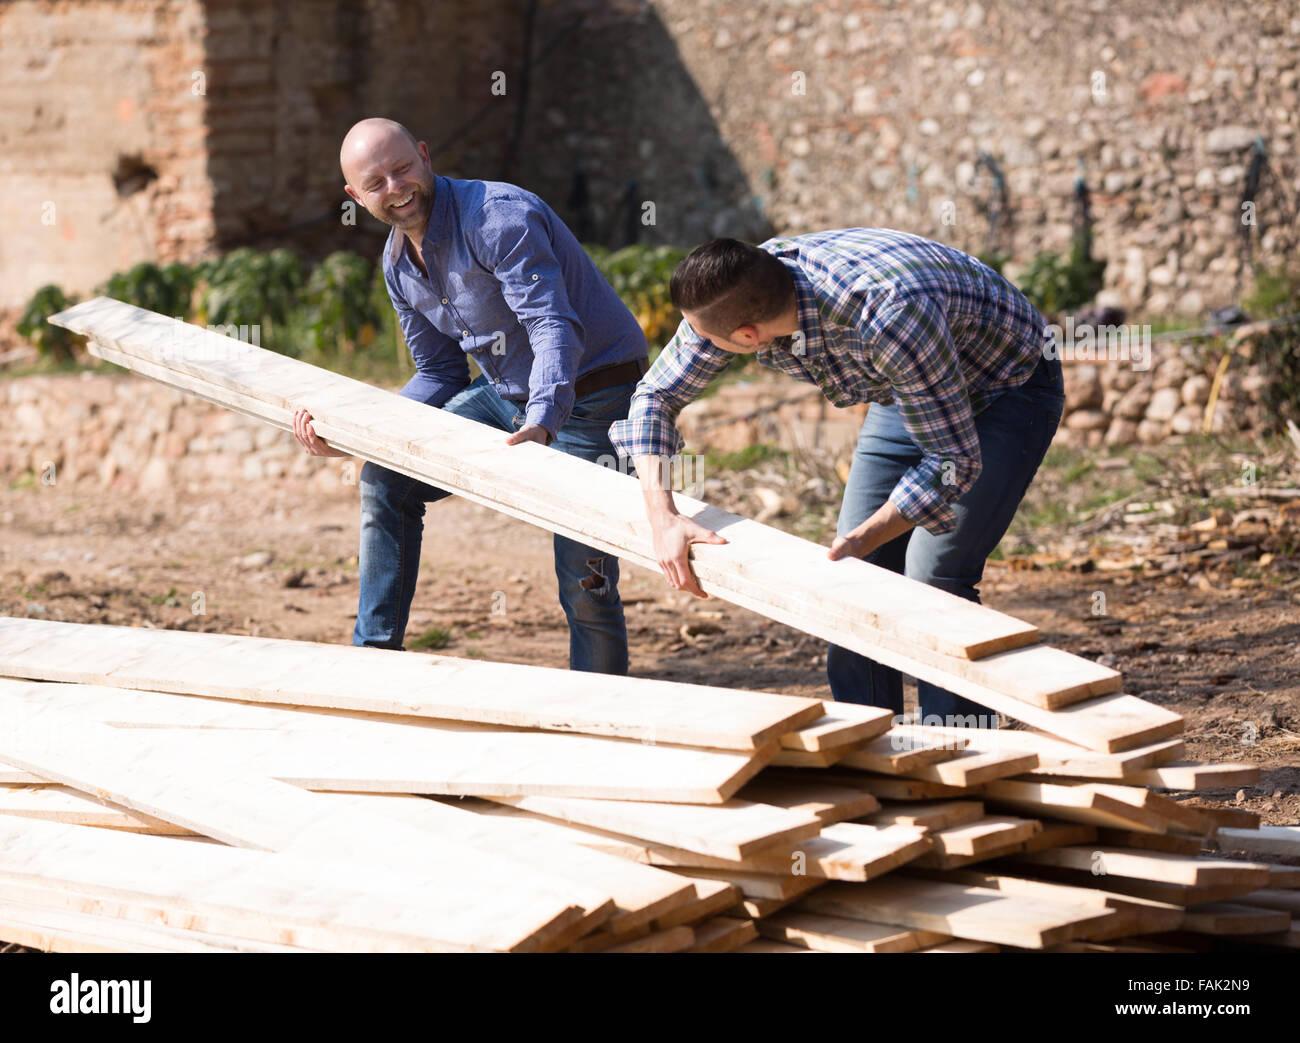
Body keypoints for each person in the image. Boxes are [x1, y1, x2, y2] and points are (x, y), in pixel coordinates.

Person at [610, 229, 1065, 724]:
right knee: (856, 578)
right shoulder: (739, 291)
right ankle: (869, 743)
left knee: (934, 576)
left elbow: (950, 460)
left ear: (747, 335)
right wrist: (664, 516)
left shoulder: (886, 314)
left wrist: (868, 535)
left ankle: (961, 751)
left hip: (1006, 383)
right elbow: (655, 398)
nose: (694, 342)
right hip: (908, 383)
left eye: (702, 336)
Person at [293, 118, 647, 673]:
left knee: (585, 578)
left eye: (402, 168)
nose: (395, 188)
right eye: (376, 182)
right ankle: (375, 661)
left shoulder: (497, 217)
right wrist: (358, 436)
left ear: (426, 155)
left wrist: (544, 418)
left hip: (593, 395)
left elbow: (554, 325)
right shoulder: (396, 263)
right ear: (355, 197)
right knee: (386, 478)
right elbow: (437, 371)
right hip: (506, 395)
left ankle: (601, 705)